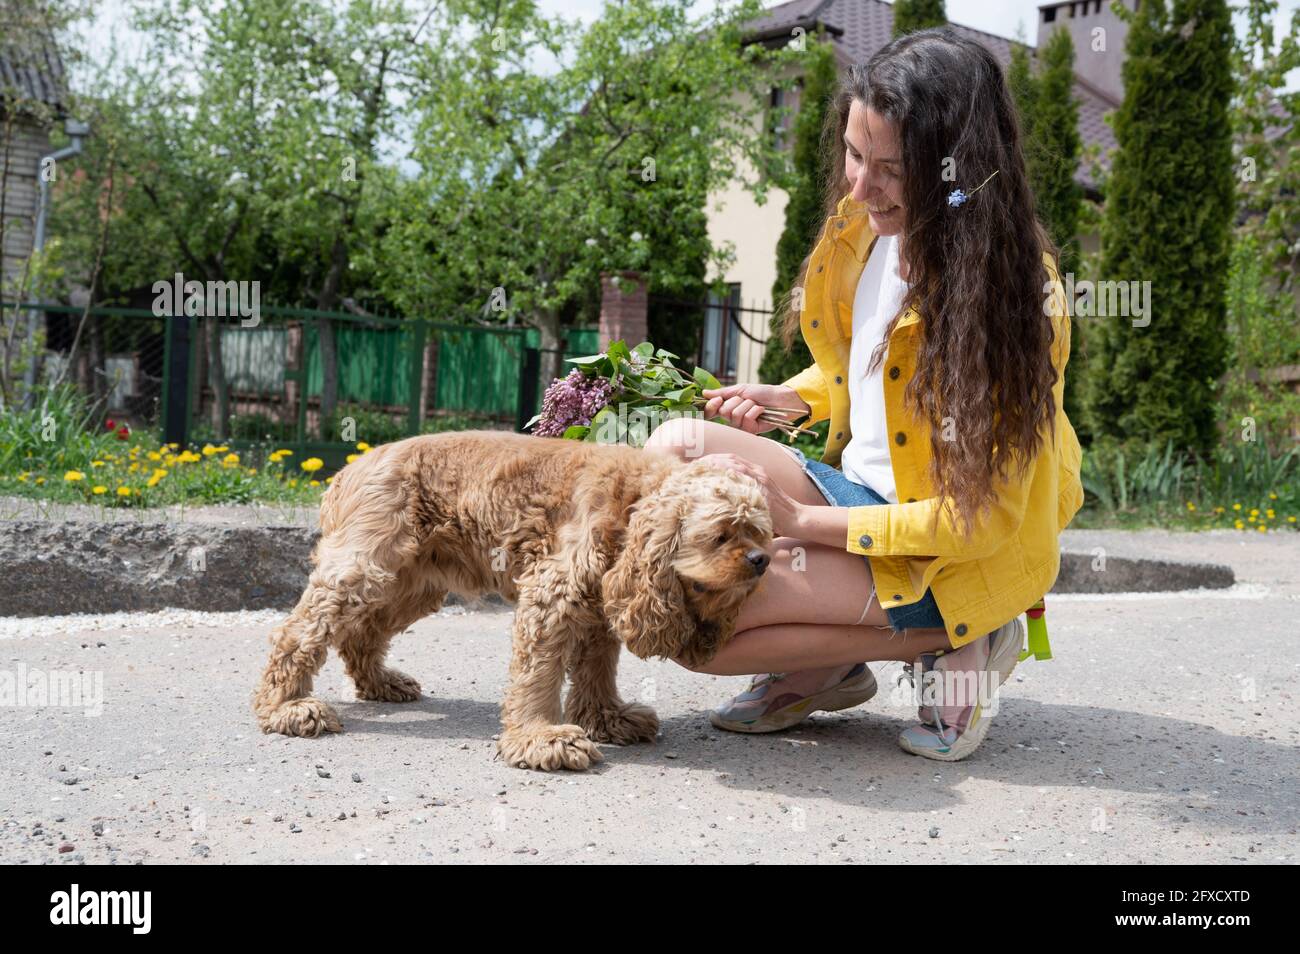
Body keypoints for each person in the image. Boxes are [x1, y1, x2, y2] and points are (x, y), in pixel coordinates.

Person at [643, 27, 1084, 761]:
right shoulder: (866, 231)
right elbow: (864, 379)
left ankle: (965, 630)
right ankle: (836, 662)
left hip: (952, 553)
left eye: (888, 168)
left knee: (700, 634)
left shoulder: (1015, 298)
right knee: (674, 451)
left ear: (955, 170)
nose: (857, 185)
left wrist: (798, 525)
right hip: (859, 498)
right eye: (854, 154)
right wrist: (791, 400)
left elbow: (975, 522)